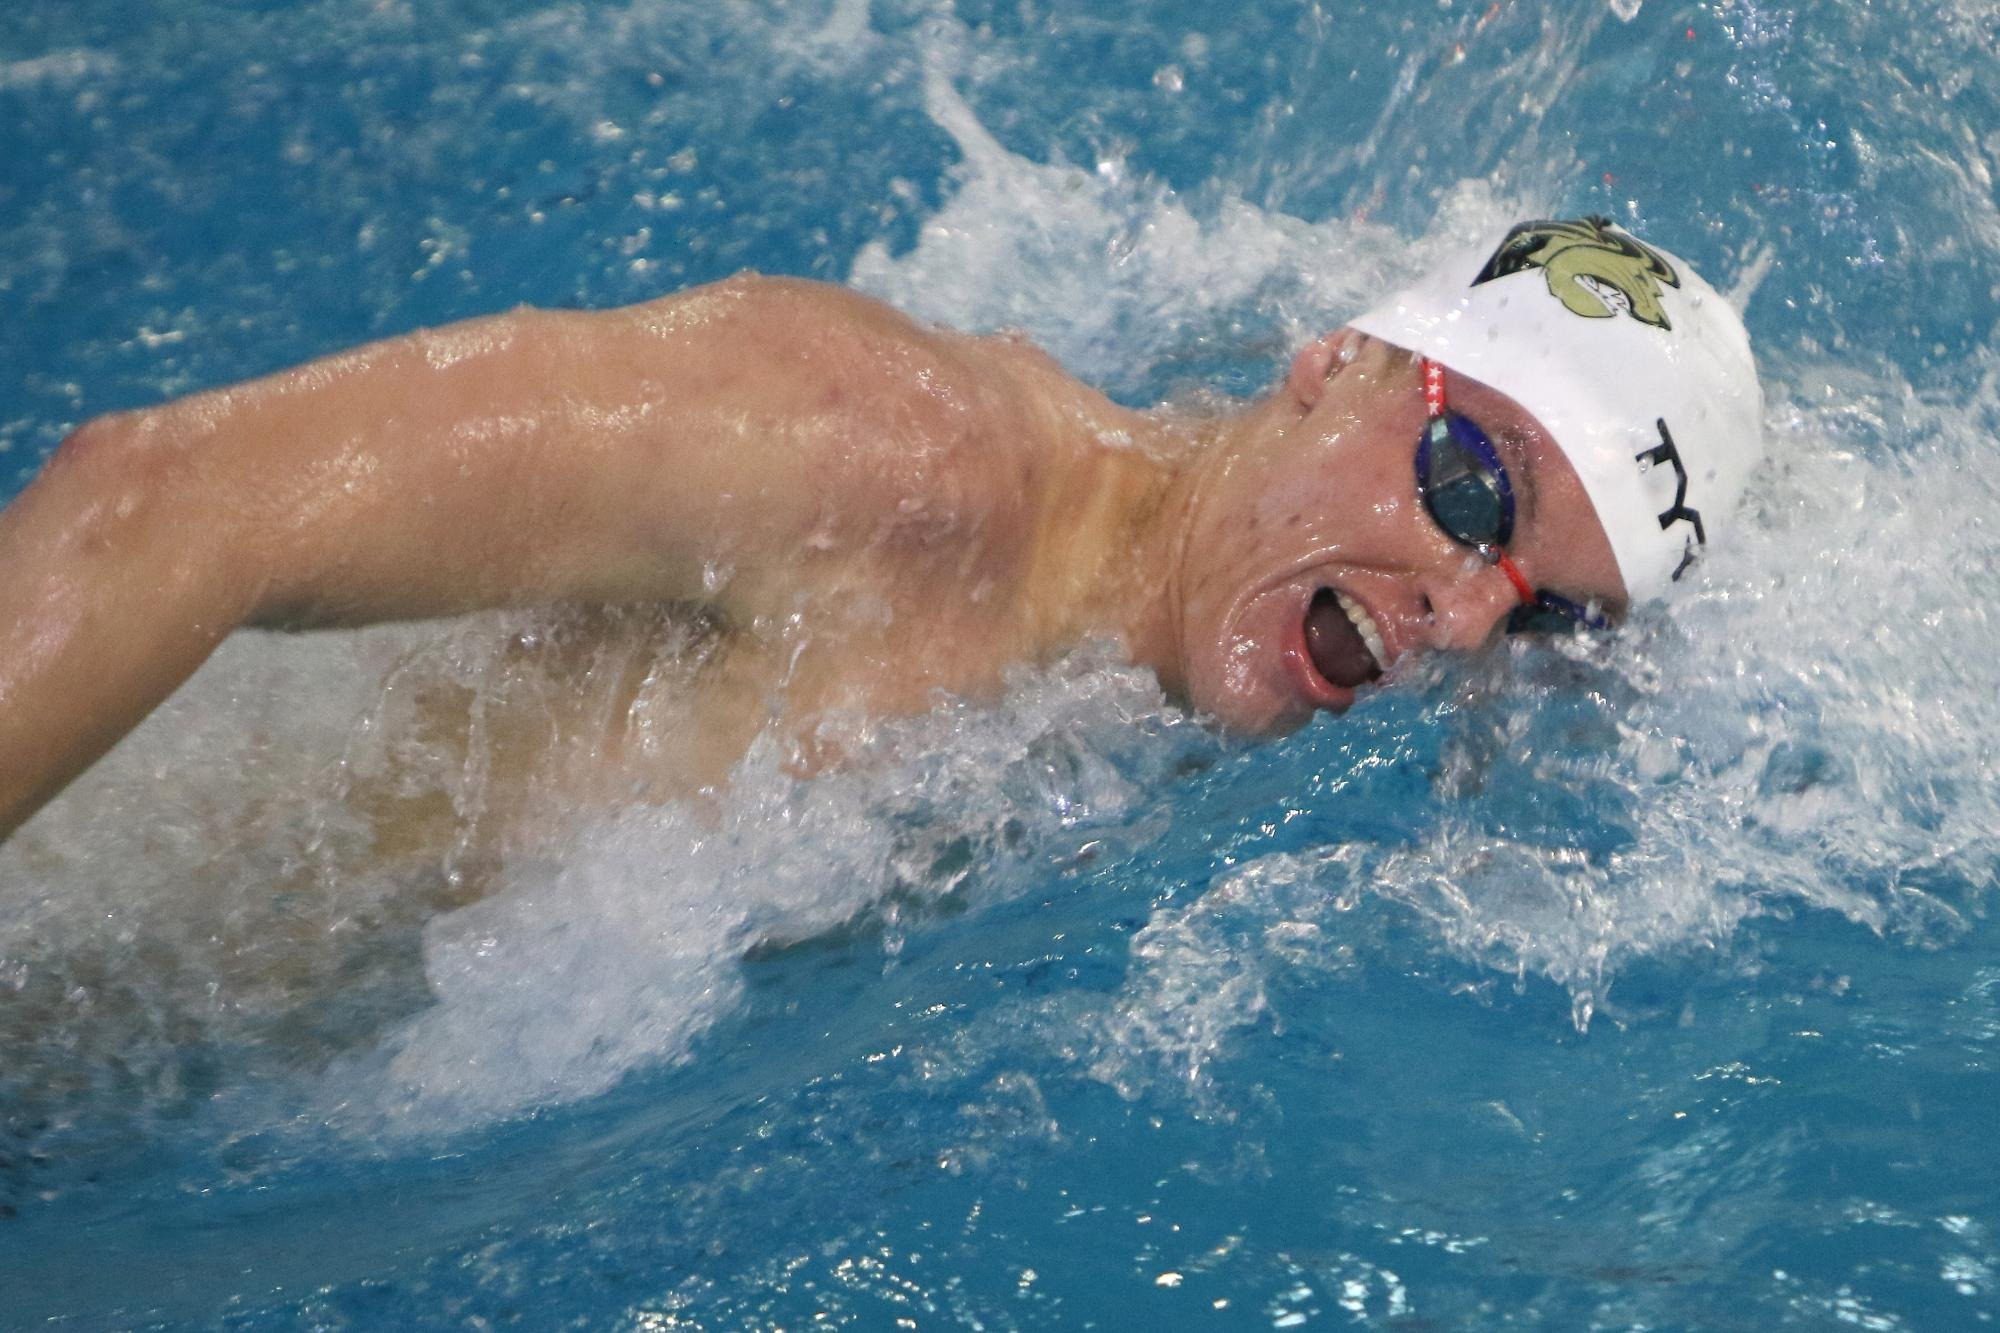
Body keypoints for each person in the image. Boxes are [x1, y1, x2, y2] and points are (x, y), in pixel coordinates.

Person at [0, 216, 1762, 843]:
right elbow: (163, 499)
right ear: (1333, 363)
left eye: (1541, 617)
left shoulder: (1125, 711)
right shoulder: (893, 458)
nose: (1459, 612)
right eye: (1475, 492)